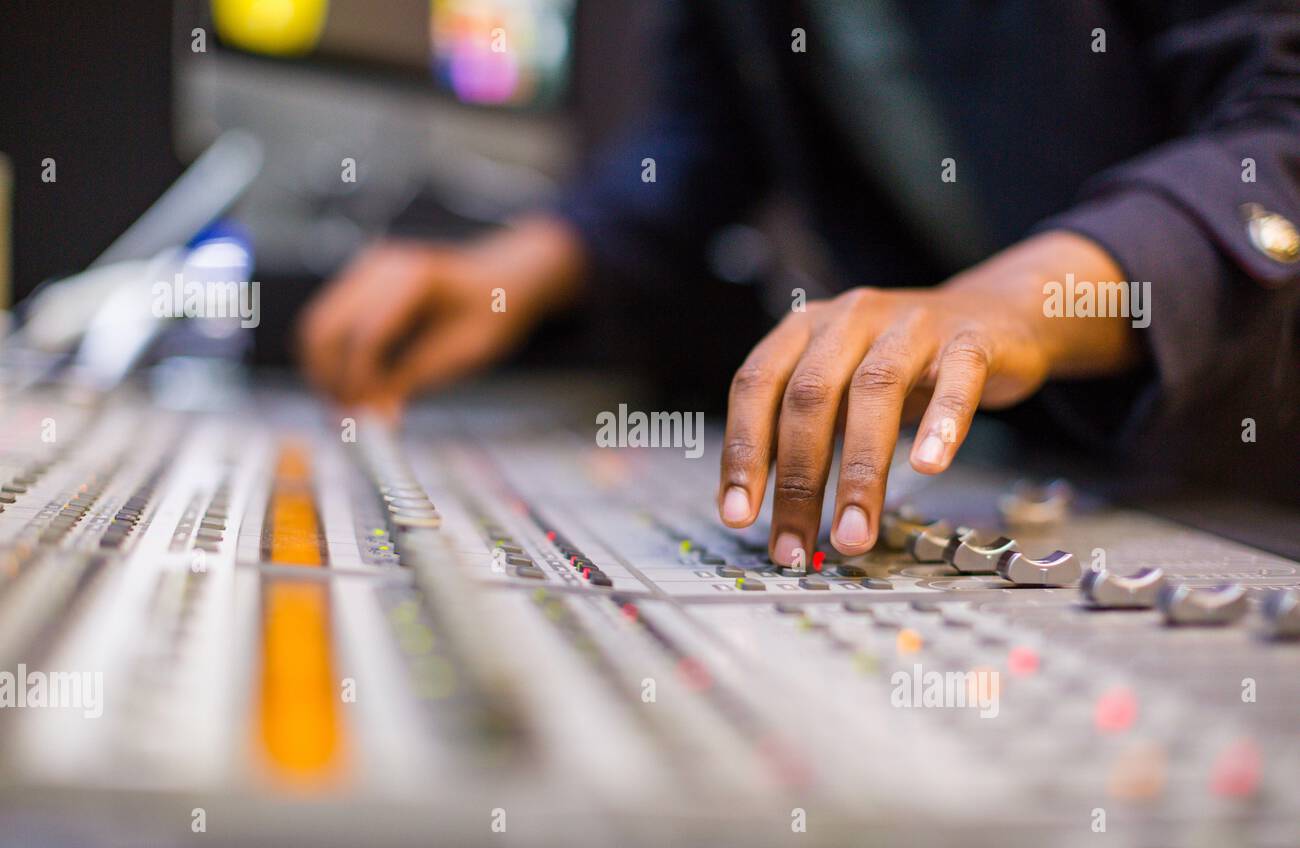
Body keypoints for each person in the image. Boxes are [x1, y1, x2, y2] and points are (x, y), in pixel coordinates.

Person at [299, 0, 1300, 566]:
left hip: (1251, 466)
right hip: (1041, 479)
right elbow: (700, 136)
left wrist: (1012, 303)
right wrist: (515, 269)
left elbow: (1279, 123)